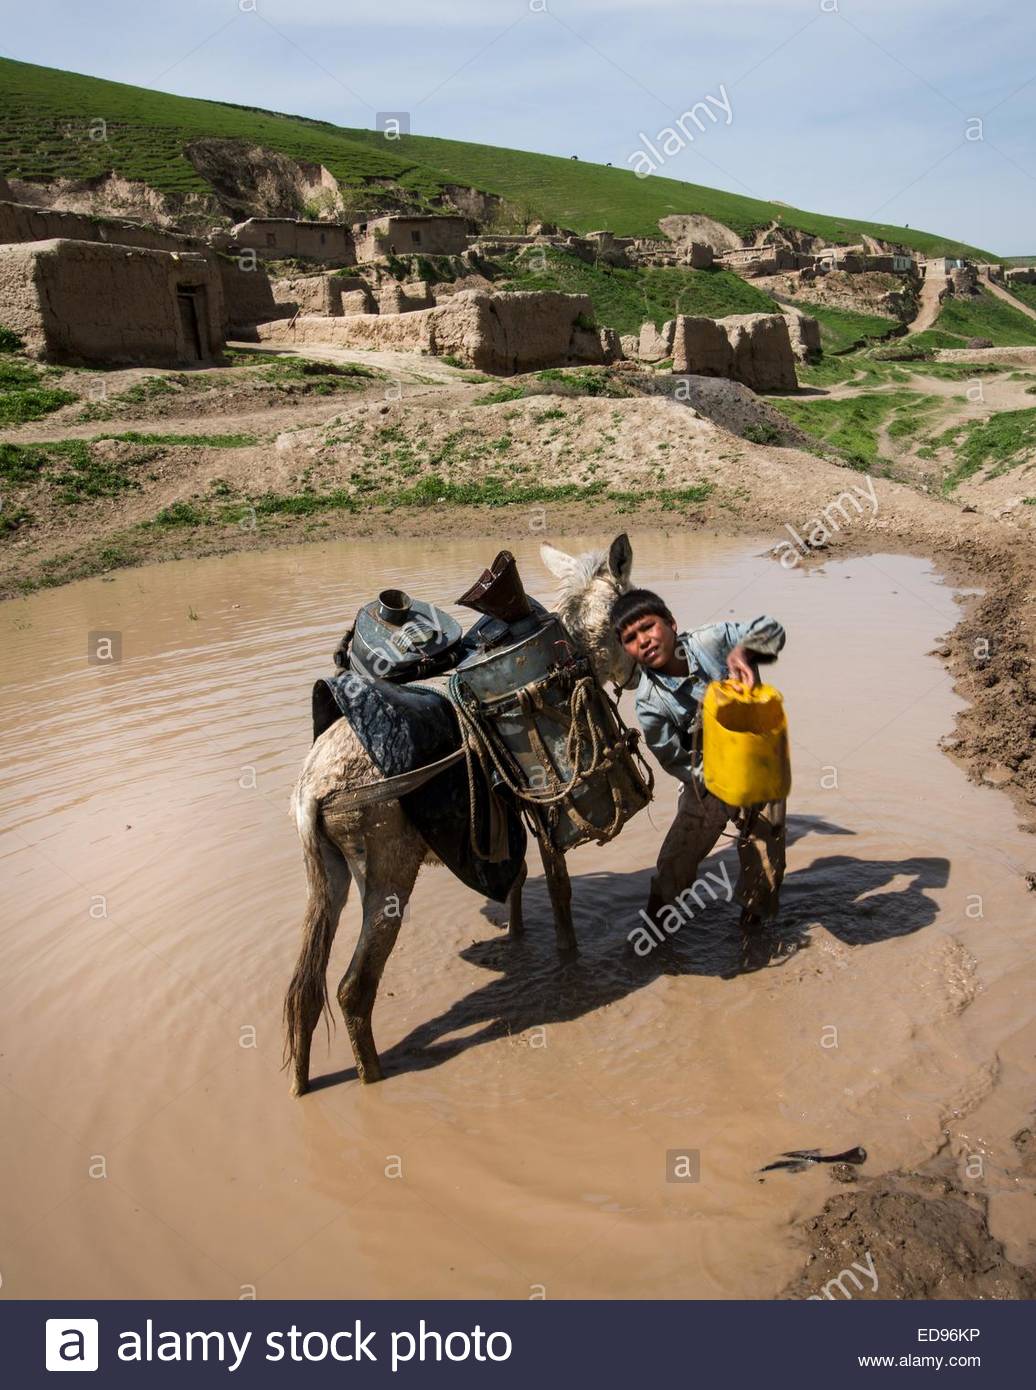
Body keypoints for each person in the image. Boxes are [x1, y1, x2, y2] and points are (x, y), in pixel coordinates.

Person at [611, 588, 787, 934]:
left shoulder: (713, 641)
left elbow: (774, 629)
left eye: (648, 627)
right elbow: (674, 759)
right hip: (707, 776)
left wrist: (744, 649)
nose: (643, 640)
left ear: (672, 624)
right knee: (677, 860)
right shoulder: (649, 704)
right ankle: (653, 934)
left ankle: (753, 931)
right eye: (631, 638)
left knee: (766, 857)